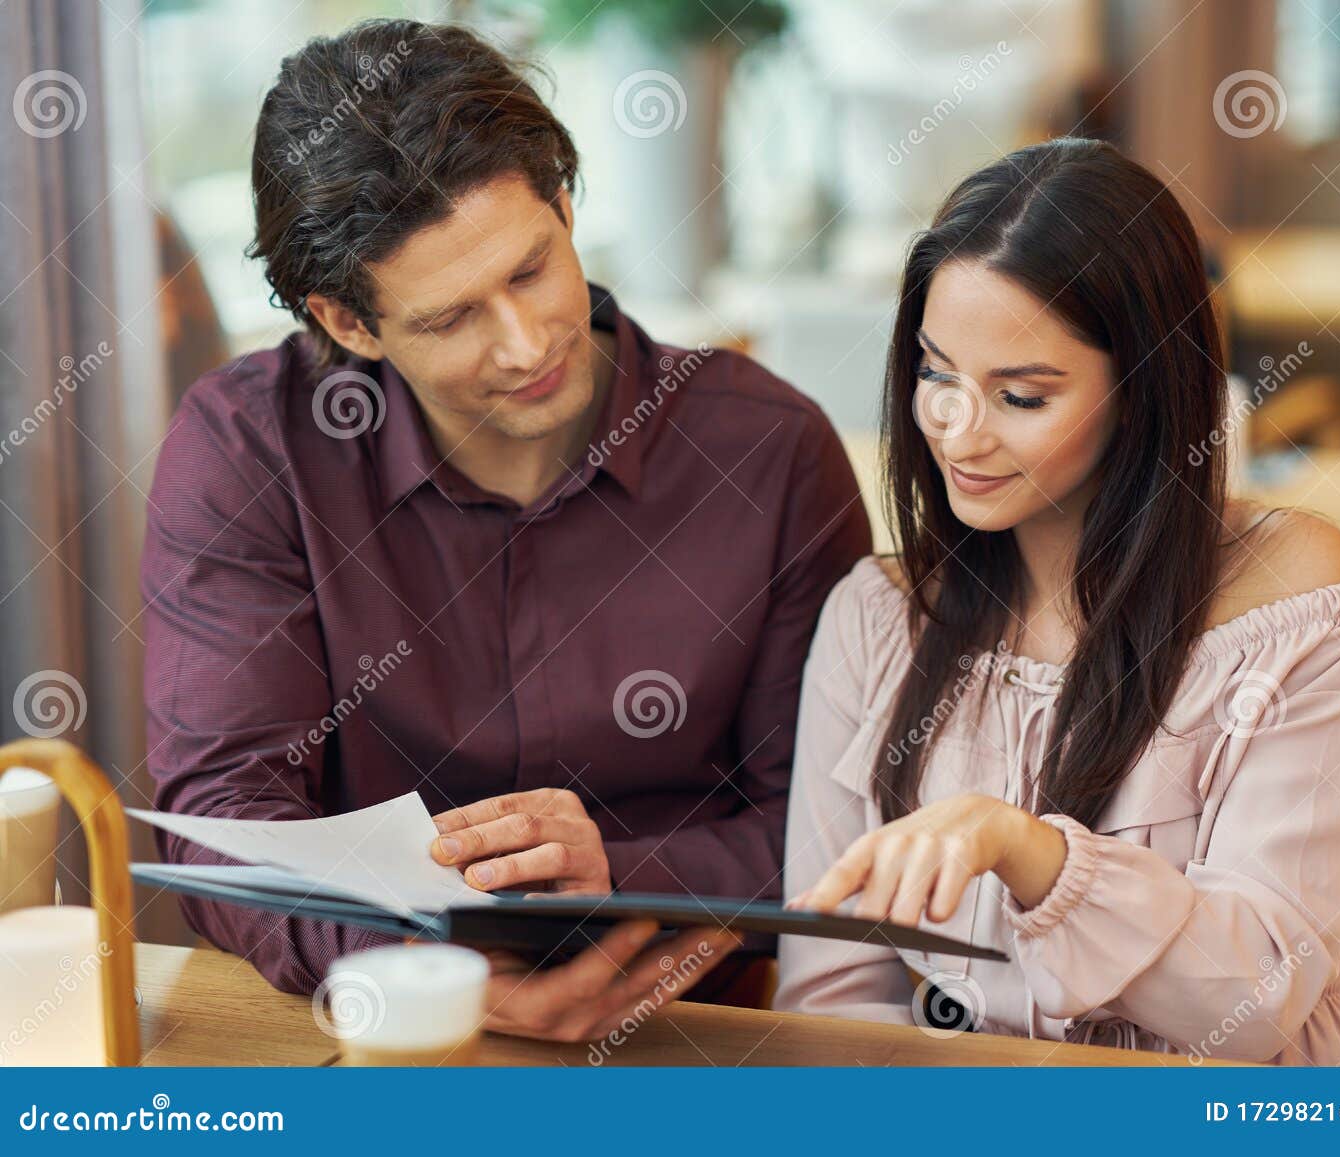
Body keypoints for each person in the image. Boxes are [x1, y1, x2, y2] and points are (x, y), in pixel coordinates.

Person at [141, 19, 869, 1040]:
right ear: (349, 324)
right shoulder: (251, 449)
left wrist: (622, 870)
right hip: (382, 1036)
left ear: (565, 205)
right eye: (450, 318)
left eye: (531, 269)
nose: (525, 346)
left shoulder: (769, 452)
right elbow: (223, 814)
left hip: (698, 1041)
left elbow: (837, 828)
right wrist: (418, 974)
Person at [775, 137, 1340, 1066]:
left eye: (1022, 397)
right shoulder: (878, 616)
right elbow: (835, 993)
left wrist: (1032, 853)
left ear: (1143, 391)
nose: (957, 430)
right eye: (935, 373)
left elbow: (1256, 1002)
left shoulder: (1300, 600)